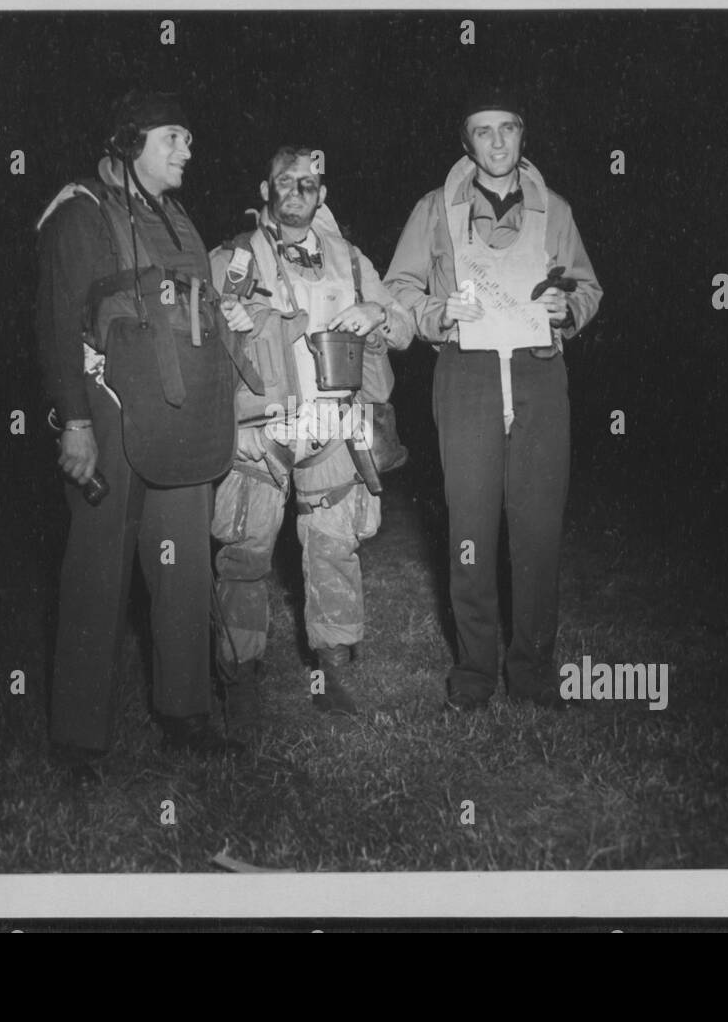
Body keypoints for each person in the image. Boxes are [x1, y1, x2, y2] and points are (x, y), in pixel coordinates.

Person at [35, 90, 250, 783]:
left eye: (188, 138)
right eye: (174, 138)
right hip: (108, 412)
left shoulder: (180, 219)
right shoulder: (80, 213)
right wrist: (73, 422)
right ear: (131, 145)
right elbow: (55, 325)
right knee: (98, 571)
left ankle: (186, 716)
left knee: (186, 566)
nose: (188, 151)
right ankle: (78, 741)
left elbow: (197, 319)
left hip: (179, 419)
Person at [382, 89, 602, 712]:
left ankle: (531, 669)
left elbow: (588, 285)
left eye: (508, 129)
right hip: (467, 374)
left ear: (523, 135)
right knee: (470, 528)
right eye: (484, 131)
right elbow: (397, 287)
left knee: (537, 529)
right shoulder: (433, 210)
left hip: (538, 374)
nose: (498, 142)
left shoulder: (554, 210)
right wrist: (433, 312)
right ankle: (475, 670)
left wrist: (570, 309)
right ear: (466, 142)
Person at [208, 147, 414, 733]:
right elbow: (203, 344)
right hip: (262, 433)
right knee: (245, 556)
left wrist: (376, 312)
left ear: (322, 193)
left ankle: (330, 670)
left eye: (308, 183)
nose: (296, 191)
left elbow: (402, 327)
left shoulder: (350, 261)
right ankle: (240, 678)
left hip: (336, 429)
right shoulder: (233, 258)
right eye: (284, 182)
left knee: (332, 551)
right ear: (266, 190)